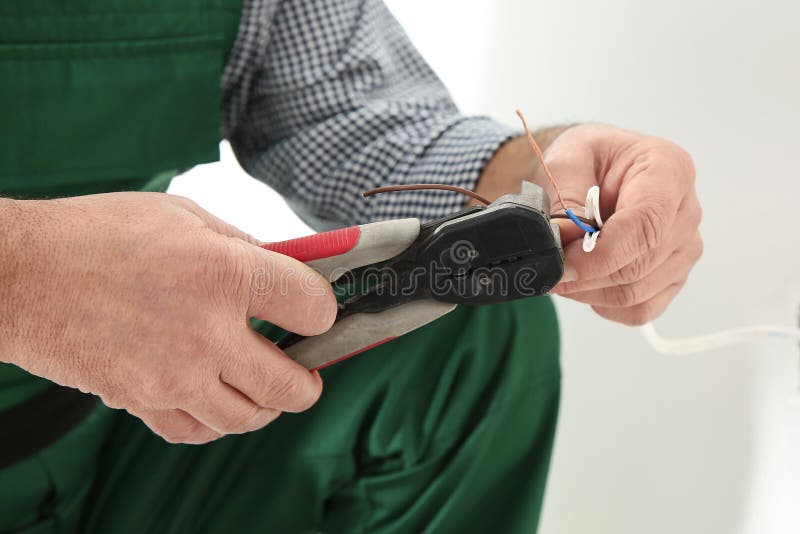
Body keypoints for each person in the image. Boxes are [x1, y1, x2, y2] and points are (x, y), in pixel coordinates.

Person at [0, 0, 702, 532]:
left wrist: (549, 173)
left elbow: (345, 111)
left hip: (90, 436)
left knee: (472, 343)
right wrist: (26, 279)